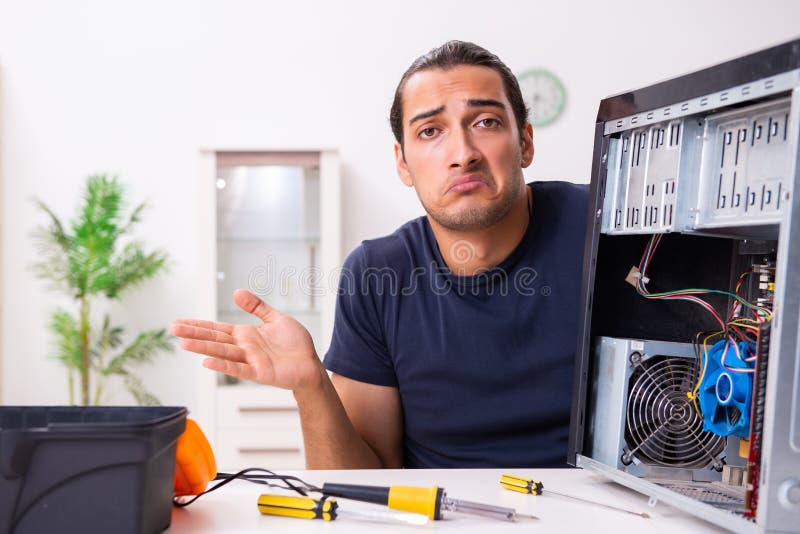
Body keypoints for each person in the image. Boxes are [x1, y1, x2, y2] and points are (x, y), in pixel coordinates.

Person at [171, 40, 588, 469]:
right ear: (403, 164)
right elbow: (364, 485)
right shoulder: (376, 274)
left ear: (526, 142)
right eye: (430, 131)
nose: (462, 155)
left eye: (485, 121)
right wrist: (312, 386)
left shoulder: (603, 229)